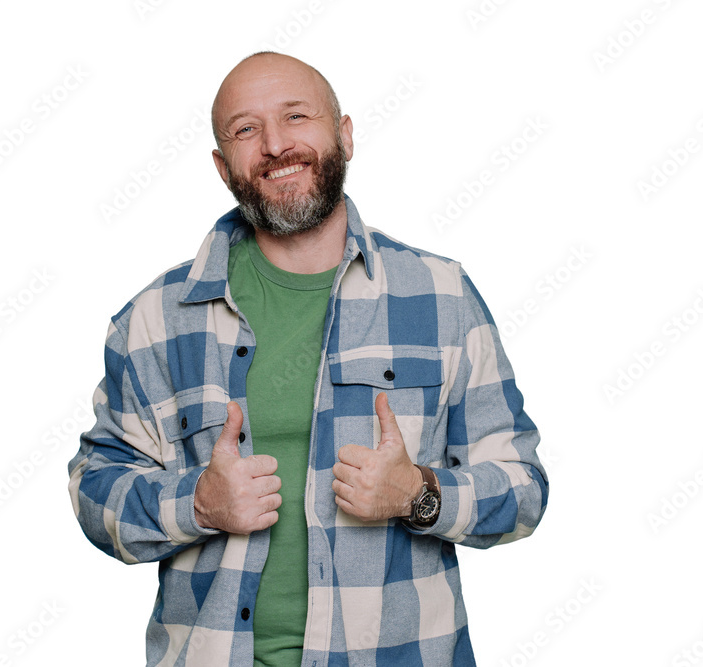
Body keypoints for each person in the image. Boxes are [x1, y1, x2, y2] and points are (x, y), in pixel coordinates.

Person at [67, 51, 548, 666]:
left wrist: (417, 494)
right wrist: (197, 504)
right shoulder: (156, 319)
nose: (274, 144)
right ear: (222, 165)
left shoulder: (442, 296)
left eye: (297, 116)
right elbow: (94, 490)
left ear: (344, 134)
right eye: (246, 129)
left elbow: (524, 489)